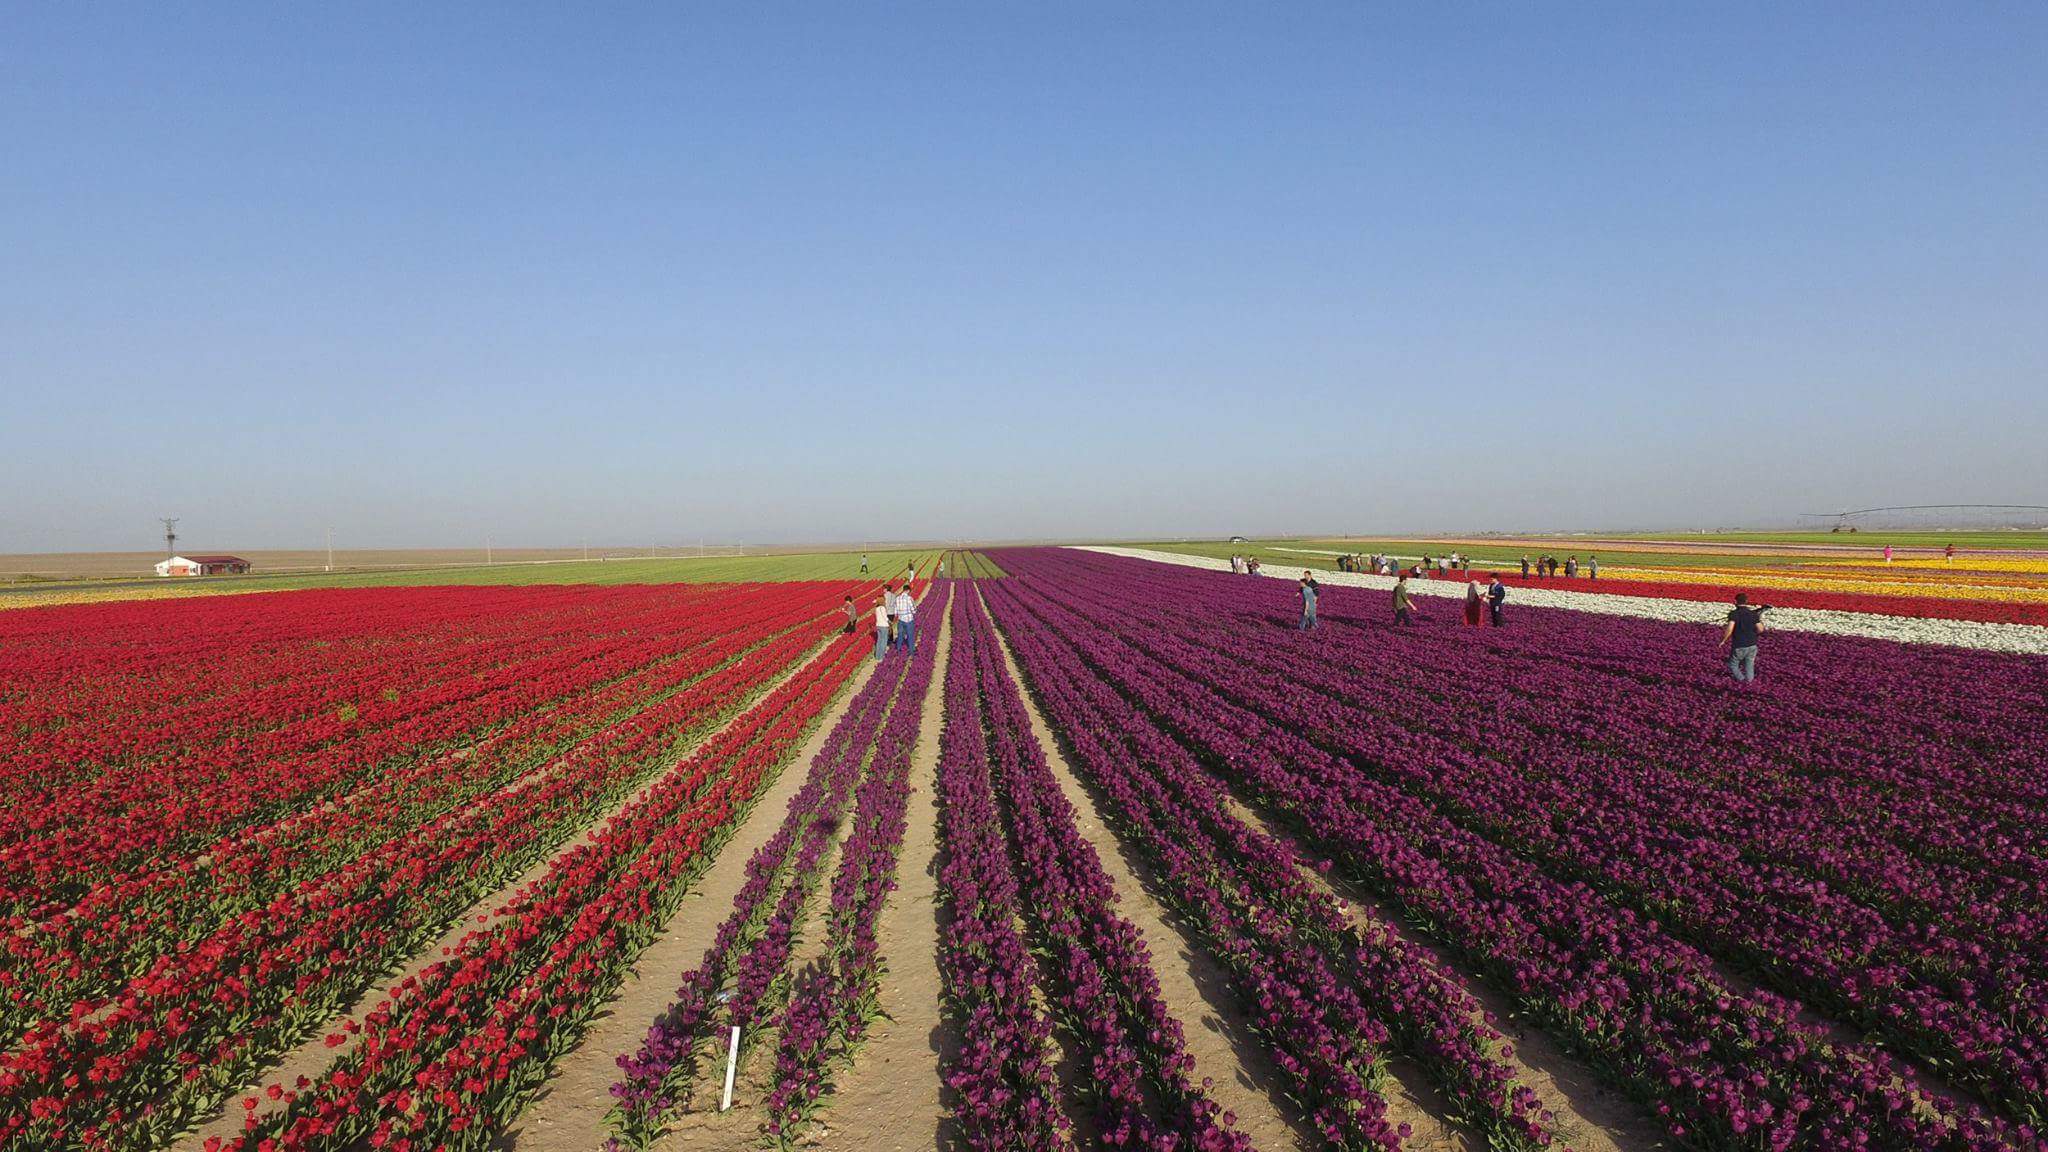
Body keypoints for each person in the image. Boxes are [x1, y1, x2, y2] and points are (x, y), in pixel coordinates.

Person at [1720, 593, 1769, 682]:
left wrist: (1723, 640)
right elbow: (1761, 629)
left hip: (1739, 644)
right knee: (1749, 664)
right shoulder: (1753, 614)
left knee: (1732, 665)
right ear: (1746, 602)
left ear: (1735, 602)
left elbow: (1730, 628)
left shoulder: (1734, 614)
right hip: (1752, 644)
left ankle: (1742, 681)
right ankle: (1749, 683)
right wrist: (1753, 634)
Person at [895, 583, 918, 654]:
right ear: (908, 590)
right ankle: (911, 650)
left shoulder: (897, 598)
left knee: (900, 634)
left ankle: (898, 649)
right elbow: (913, 610)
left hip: (900, 620)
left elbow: (895, 611)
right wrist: (914, 611)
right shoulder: (909, 598)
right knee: (910, 635)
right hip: (908, 619)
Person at [872, 596, 891, 660]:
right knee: (884, 641)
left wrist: (876, 601)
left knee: (879, 641)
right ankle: (881, 656)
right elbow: (885, 617)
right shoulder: (882, 608)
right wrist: (889, 621)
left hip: (878, 625)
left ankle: (877, 656)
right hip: (884, 626)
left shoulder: (876, 608)